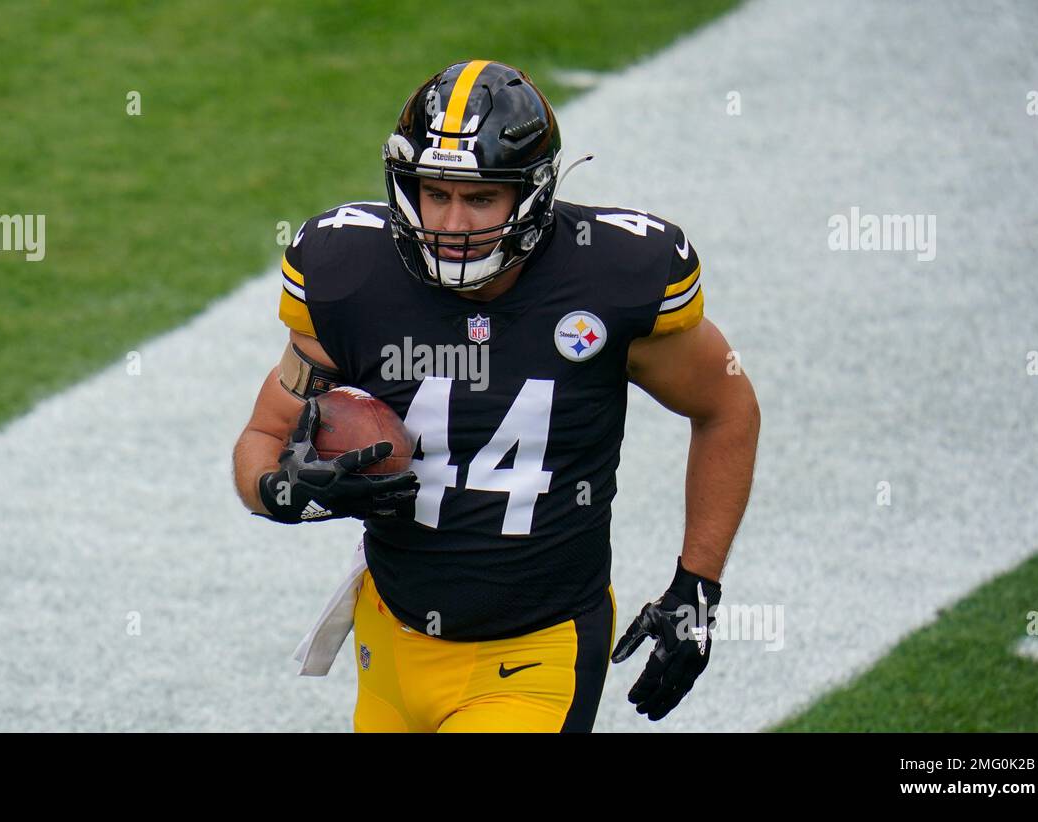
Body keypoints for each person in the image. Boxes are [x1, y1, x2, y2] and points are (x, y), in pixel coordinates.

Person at [232, 59, 760, 732]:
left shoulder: (612, 277)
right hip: (390, 640)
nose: (453, 223)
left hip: (534, 653)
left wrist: (697, 587)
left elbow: (726, 407)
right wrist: (282, 493)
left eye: (480, 198)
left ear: (533, 195)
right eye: (435, 192)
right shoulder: (349, 276)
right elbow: (261, 440)